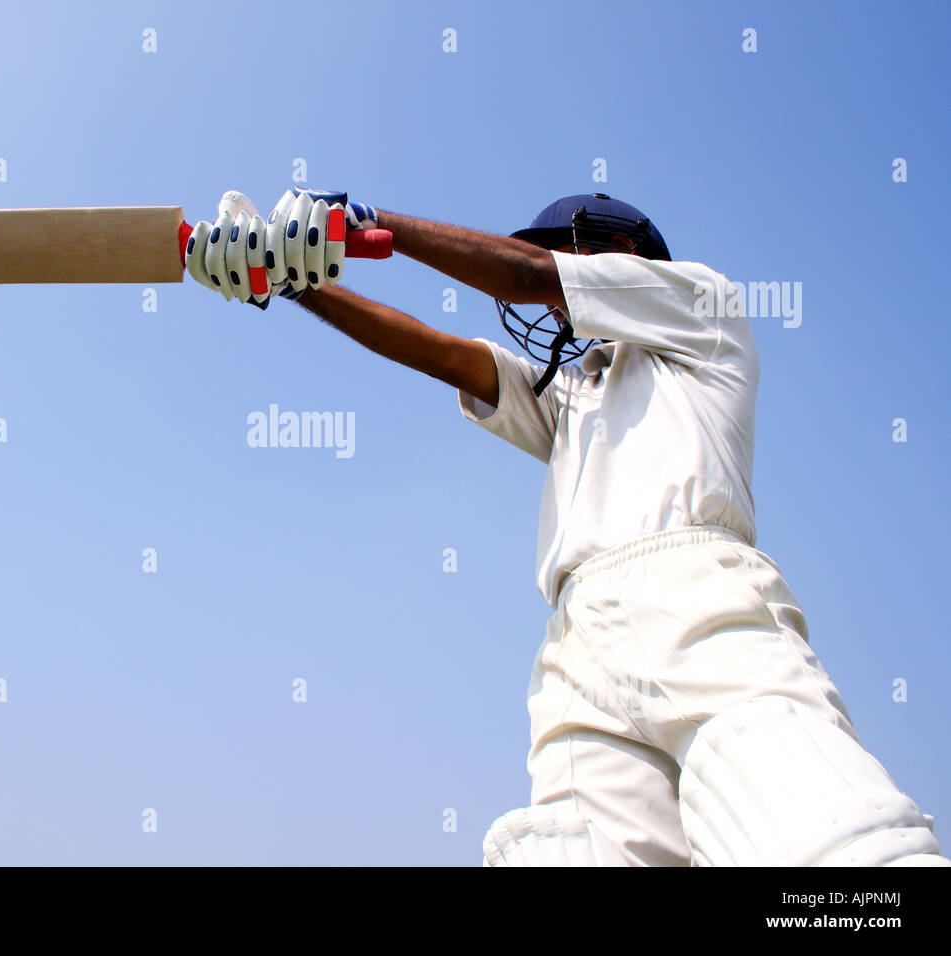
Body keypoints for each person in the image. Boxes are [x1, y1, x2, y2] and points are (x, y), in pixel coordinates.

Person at [184, 188, 949, 867]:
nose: (546, 293)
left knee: (824, 836)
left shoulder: (699, 311)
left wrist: (367, 223)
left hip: (698, 603)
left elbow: (525, 276)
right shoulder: (573, 393)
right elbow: (439, 352)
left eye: (558, 256)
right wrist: (288, 285)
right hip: (576, 646)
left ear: (621, 254)